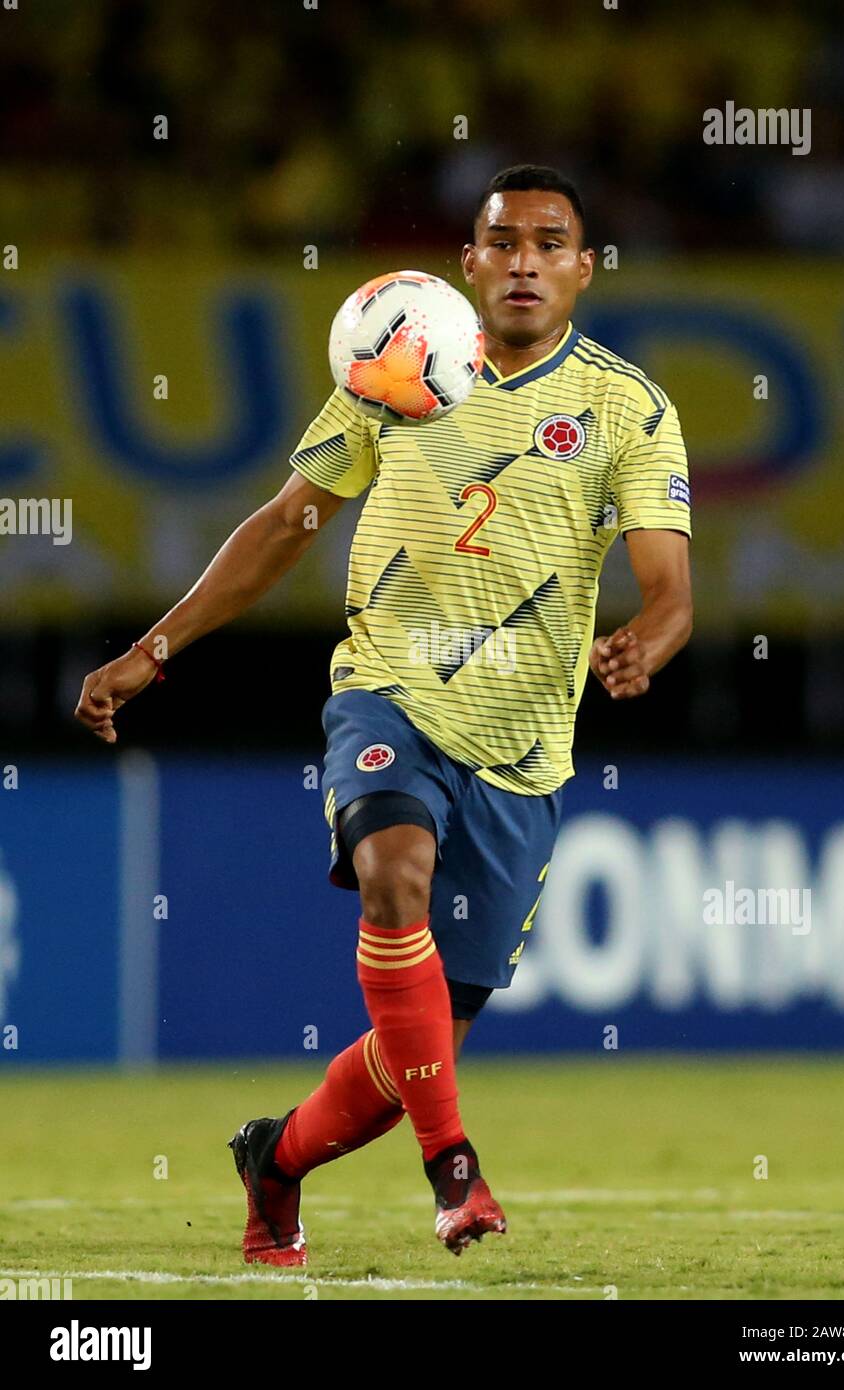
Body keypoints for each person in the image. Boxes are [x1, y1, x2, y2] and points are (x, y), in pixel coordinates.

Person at [75, 164, 693, 1264]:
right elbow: (283, 523)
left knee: (420, 1054)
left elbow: (671, 589)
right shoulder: (391, 369)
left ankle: (277, 1159)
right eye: (502, 241)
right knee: (392, 869)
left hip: (523, 756)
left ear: (585, 269)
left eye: (550, 243)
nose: (524, 262)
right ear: (466, 262)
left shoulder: (626, 408)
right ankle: (455, 1171)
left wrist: (644, 639)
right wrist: (150, 650)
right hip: (389, 693)